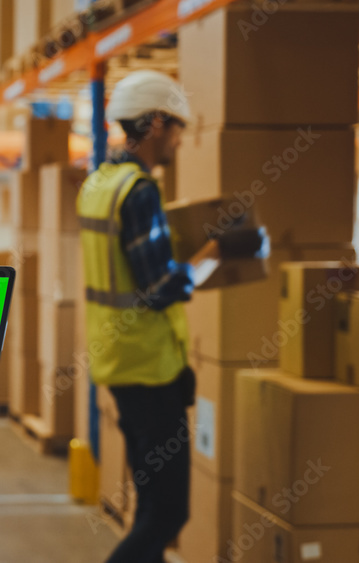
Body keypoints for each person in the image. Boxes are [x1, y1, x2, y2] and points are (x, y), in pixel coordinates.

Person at [76, 70, 265, 563]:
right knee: (167, 514)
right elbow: (159, 288)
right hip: (148, 370)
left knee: (151, 508)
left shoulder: (98, 184)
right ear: (157, 124)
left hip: (121, 363)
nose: (180, 141)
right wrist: (217, 250)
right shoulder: (138, 191)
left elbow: (126, 269)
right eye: (178, 127)